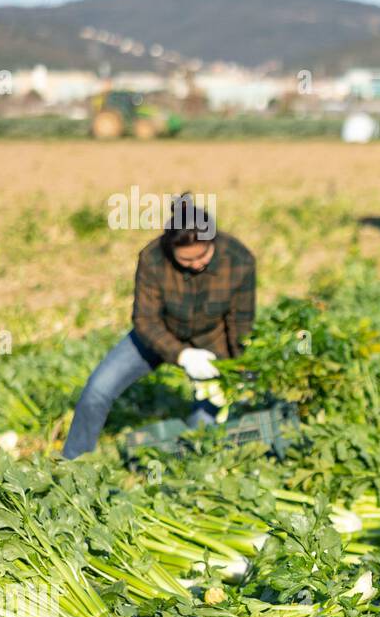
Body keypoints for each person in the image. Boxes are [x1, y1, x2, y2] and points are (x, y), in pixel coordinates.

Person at [61, 195, 256, 459]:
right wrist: (182, 355)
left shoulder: (239, 259)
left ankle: (181, 468)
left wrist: (242, 368)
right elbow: (145, 319)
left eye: (203, 256)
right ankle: (72, 460)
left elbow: (240, 321)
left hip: (212, 340)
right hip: (157, 335)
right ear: (170, 249)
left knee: (204, 426)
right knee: (98, 389)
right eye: (186, 261)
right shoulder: (153, 258)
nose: (197, 264)